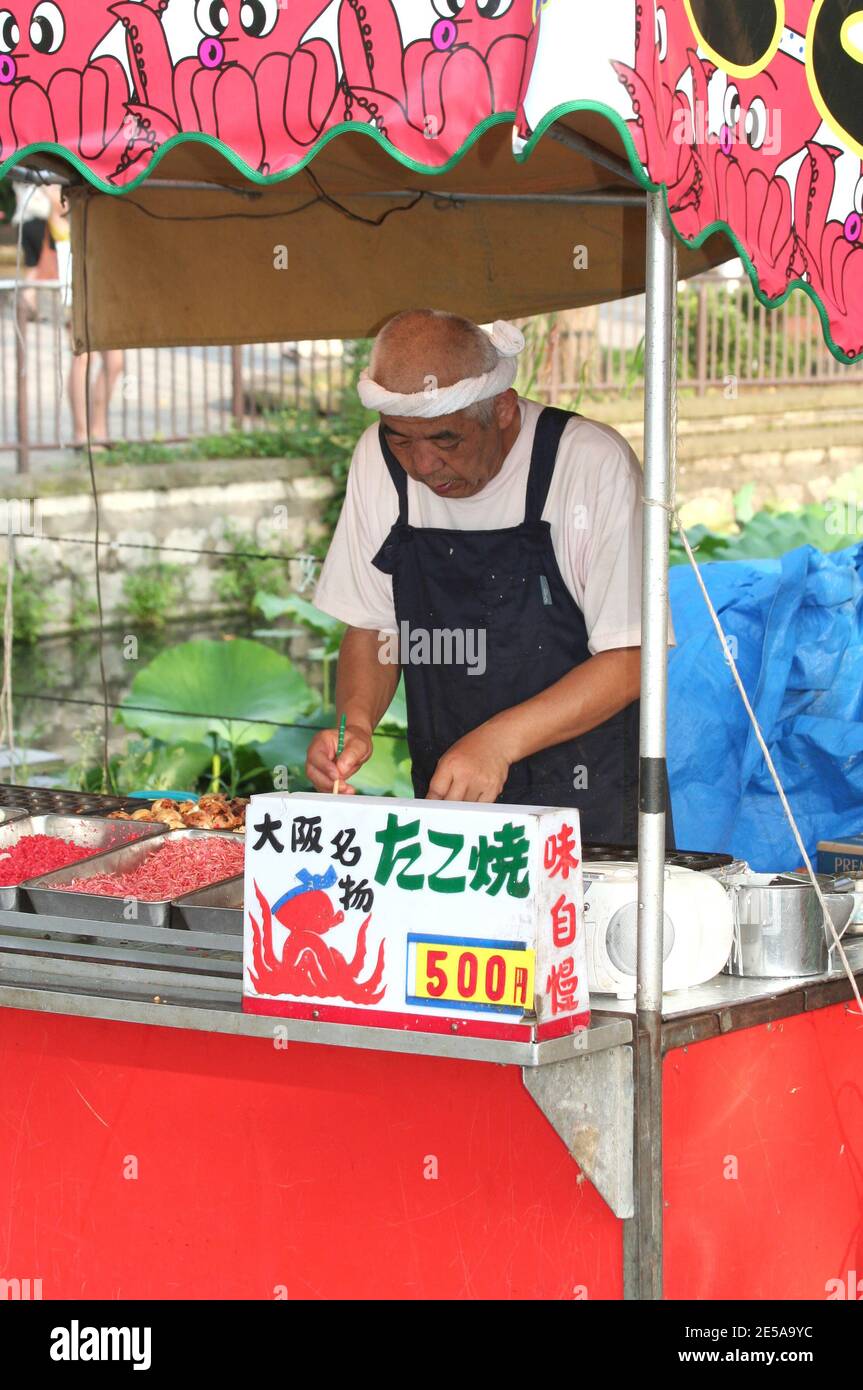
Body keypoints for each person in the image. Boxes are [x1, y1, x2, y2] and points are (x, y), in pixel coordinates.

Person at [306, 309, 674, 846]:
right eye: (401, 441)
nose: (422, 465)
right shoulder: (378, 461)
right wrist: (356, 723)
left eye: (445, 440)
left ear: (502, 409)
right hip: (453, 800)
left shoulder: (589, 464)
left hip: (589, 802)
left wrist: (498, 742)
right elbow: (373, 627)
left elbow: (631, 657)